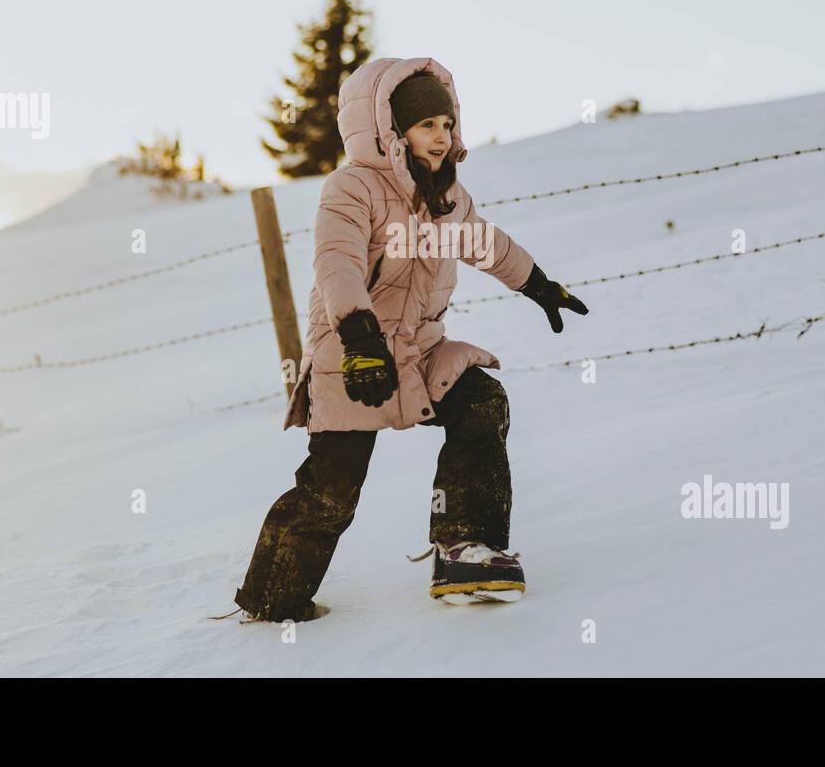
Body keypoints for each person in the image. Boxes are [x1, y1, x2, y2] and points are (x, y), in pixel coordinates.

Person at [229, 57, 587, 623]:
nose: (441, 137)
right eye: (426, 125)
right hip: (354, 356)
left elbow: (487, 244)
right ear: (391, 130)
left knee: (480, 402)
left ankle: (465, 549)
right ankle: (272, 600)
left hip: (420, 355)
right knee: (330, 495)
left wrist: (538, 285)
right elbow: (337, 265)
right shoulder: (353, 188)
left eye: (447, 124)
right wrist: (360, 339)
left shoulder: (448, 198)